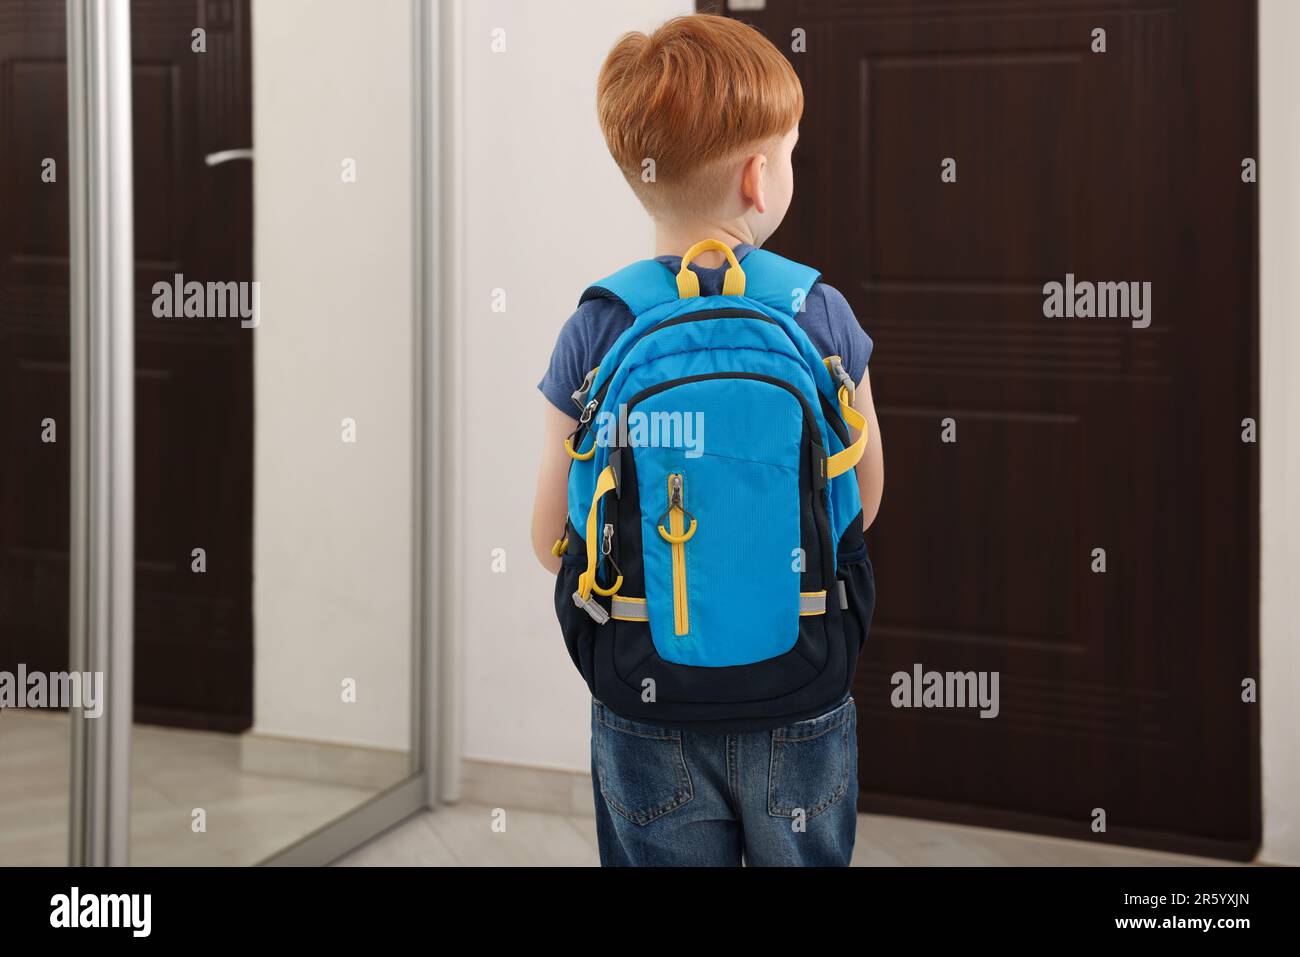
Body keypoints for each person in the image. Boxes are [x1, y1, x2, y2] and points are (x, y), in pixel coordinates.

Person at [531, 13, 884, 866]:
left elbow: (551, 539)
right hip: (799, 690)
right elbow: (860, 504)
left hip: (647, 698)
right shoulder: (820, 313)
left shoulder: (597, 325)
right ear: (759, 179)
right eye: (791, 151)